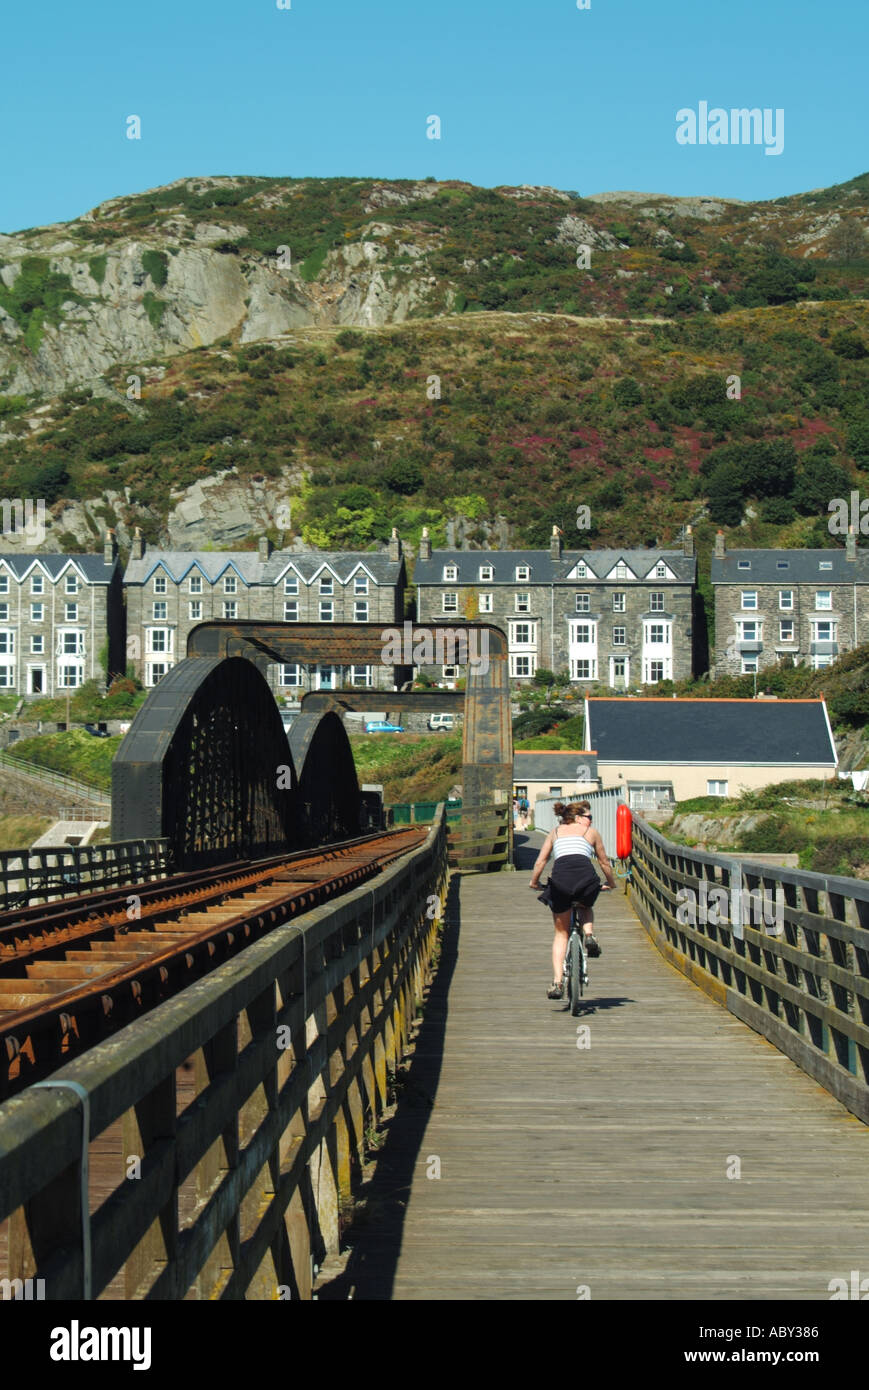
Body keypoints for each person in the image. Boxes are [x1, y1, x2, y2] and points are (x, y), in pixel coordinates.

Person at [528, 800, 616, 999]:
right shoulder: (591, 834)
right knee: (586, 902)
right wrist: (611, 882)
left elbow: (541, 860)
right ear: (578, 818)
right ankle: (589, 934)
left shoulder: (555, 832)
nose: (591, 822)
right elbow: (604, 861)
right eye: (589, 817)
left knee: (561, 934)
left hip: (561, 881)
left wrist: (535, 882)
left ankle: (558, 982)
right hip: (586, 879)